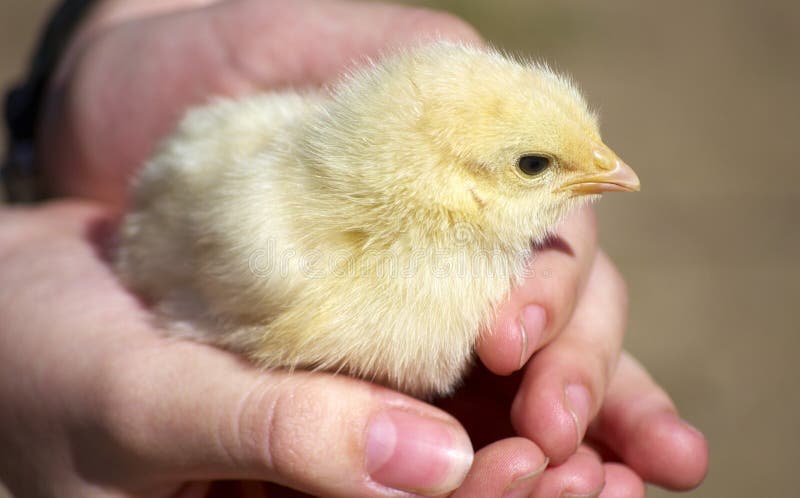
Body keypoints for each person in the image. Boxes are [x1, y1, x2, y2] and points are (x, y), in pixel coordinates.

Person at [0, 1, 708, 497]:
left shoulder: (432, 248)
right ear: (453, 187)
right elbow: (150, 256)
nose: (614, 170)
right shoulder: (275, 246)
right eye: (534, 165)